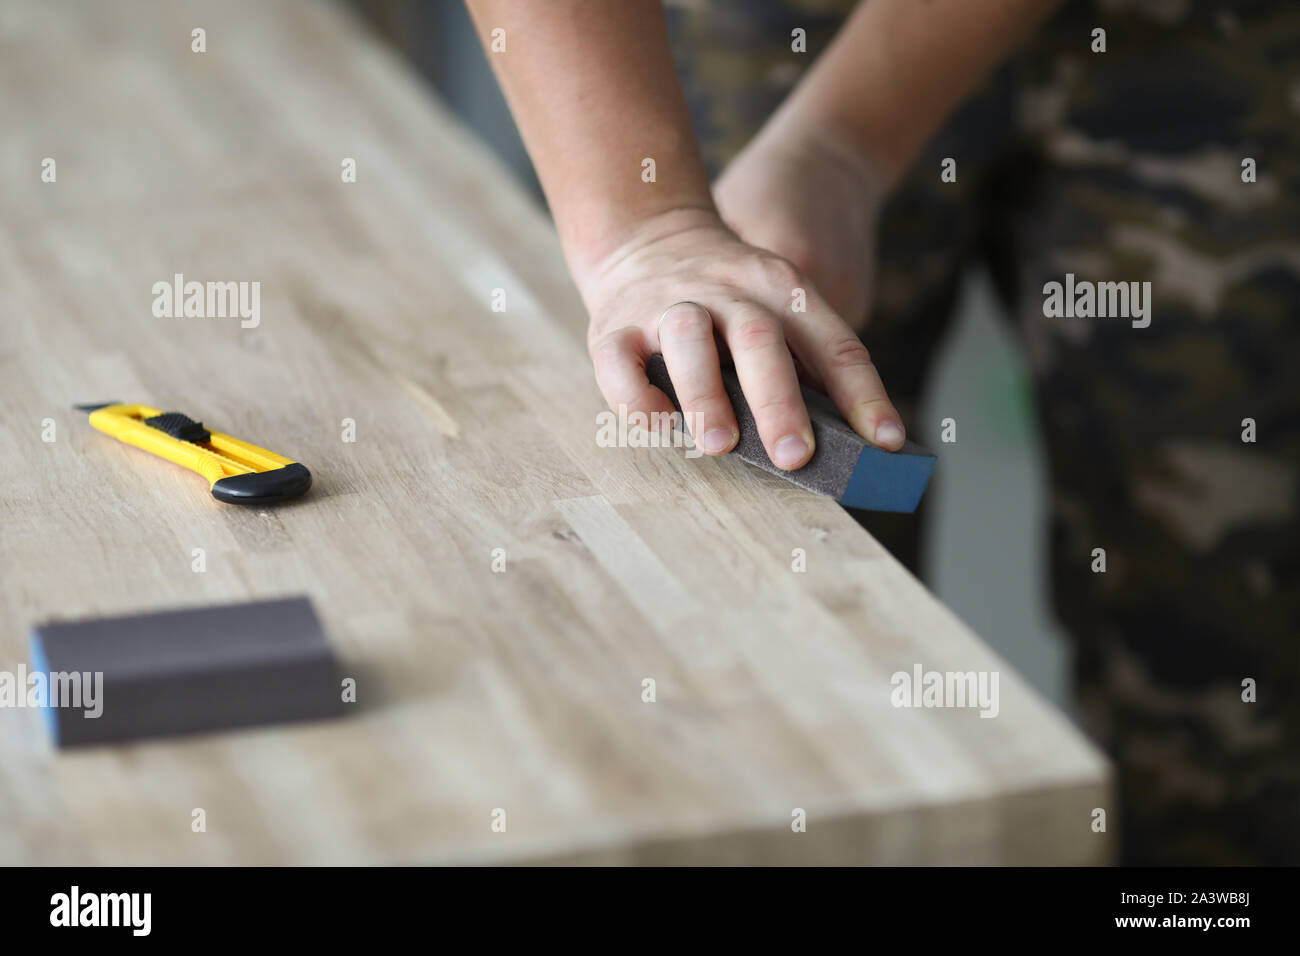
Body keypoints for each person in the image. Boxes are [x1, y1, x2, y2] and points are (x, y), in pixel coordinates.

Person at [467, 0, 1300, 864]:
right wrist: (647, 229)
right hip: (776, 36)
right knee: (785, 651)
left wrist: (841, 147)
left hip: (1199, 43)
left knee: (1216, 677)